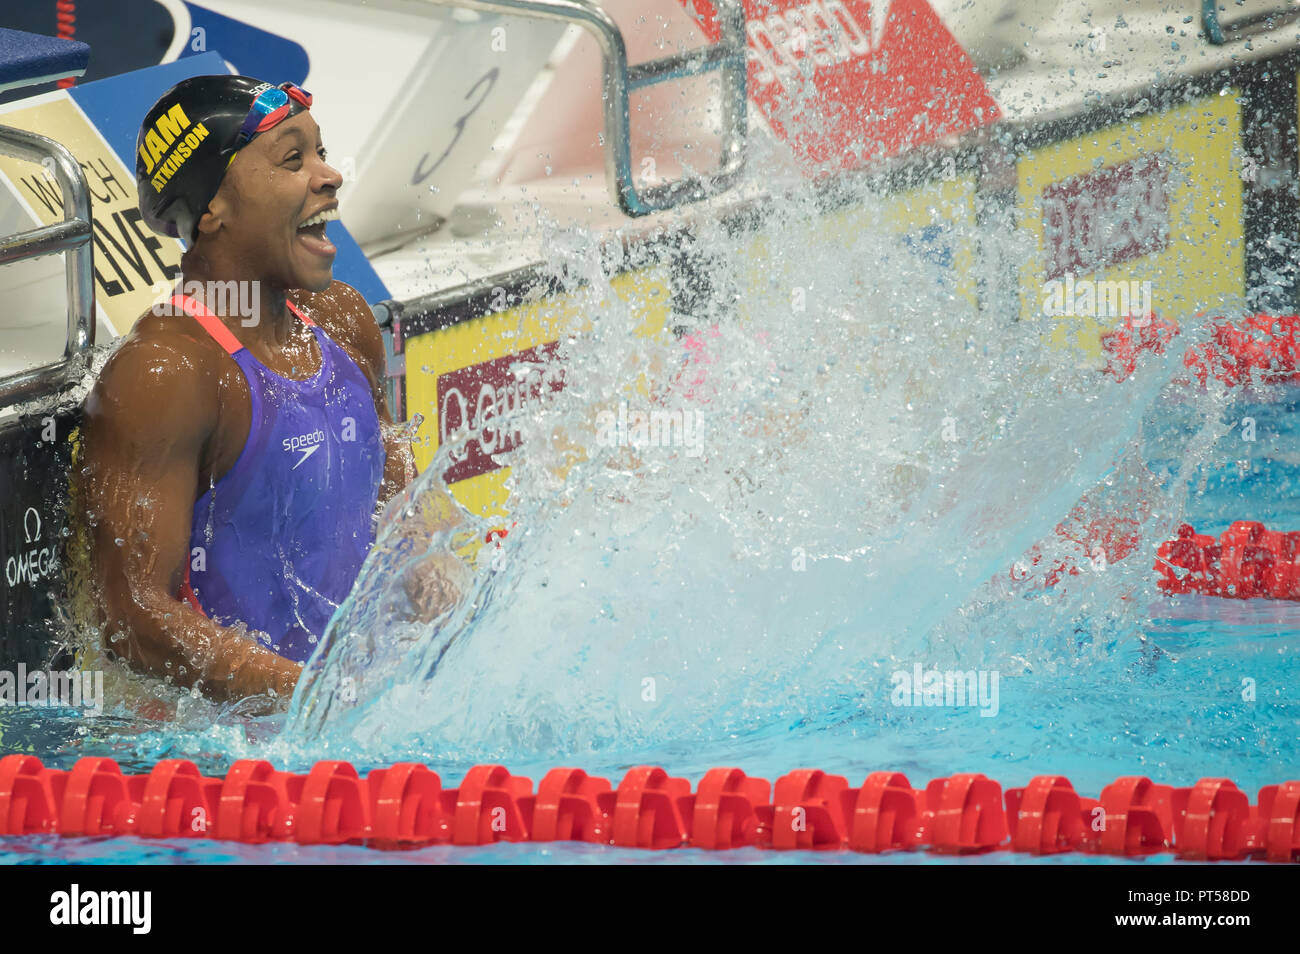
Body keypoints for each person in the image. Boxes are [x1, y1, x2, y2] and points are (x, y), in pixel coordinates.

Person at [79, 75, 420, 705]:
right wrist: (311, 696)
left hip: (363, 710)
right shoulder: (166, 376)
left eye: (321, 151)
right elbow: (134, 620)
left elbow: (398, 498)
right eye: (294, 159)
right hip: (237, 766)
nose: (330, 175)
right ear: (212, 208)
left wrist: (433, 575)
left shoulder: (345, 322)